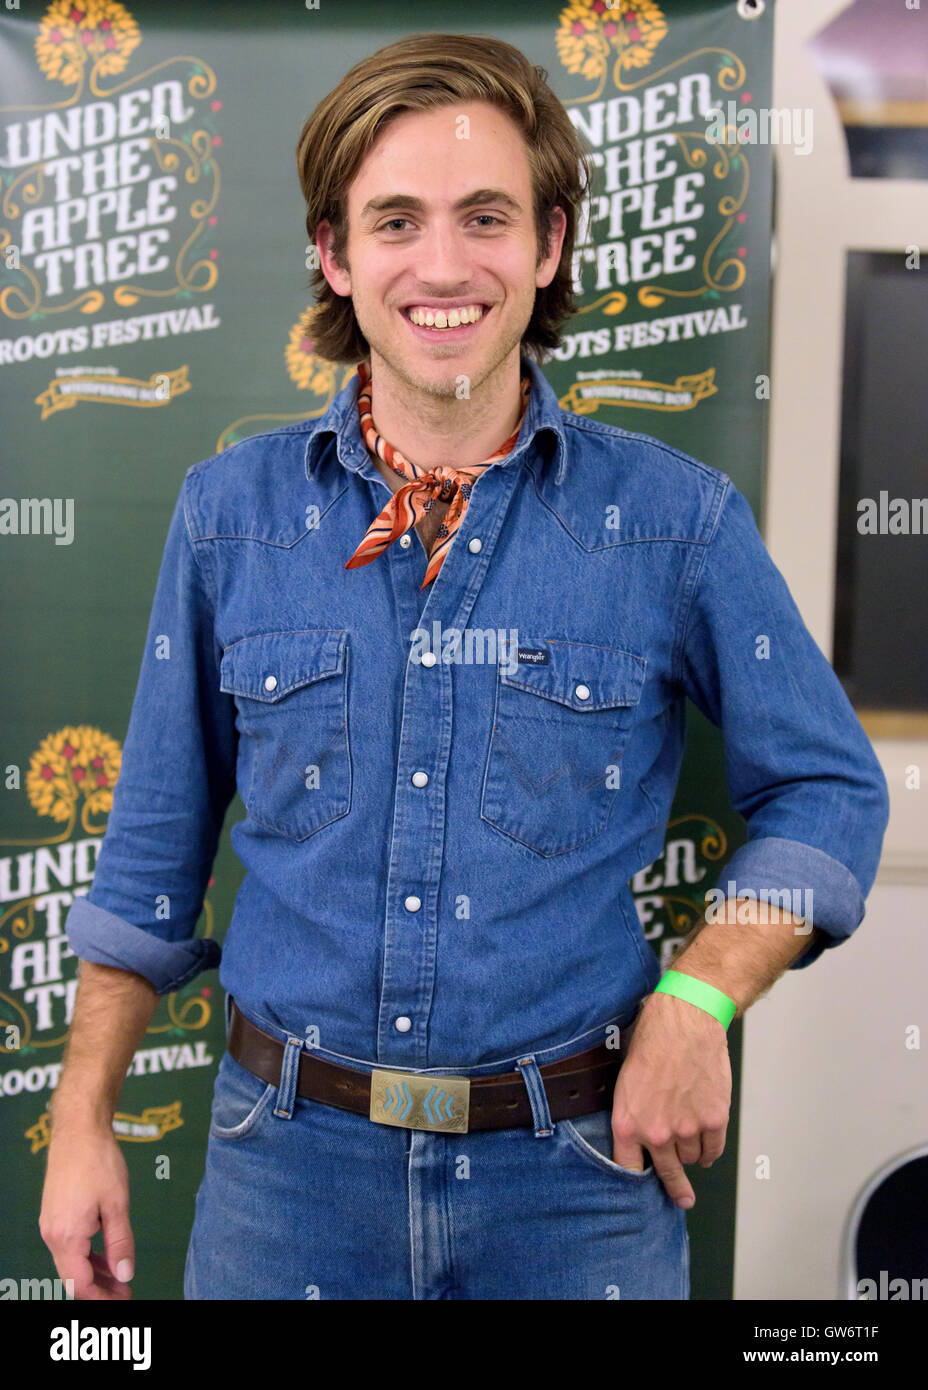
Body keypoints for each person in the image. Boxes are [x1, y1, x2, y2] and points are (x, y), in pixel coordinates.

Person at [40, 32, 889, 1301]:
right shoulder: (228, 515)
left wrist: (699, 998)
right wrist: (80, 1119)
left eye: (485, 217)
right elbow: (152, 855)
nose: (443, 267)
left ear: (547, 246)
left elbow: (828, 792)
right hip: (285, 1181)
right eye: (395, 221)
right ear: (334, 255)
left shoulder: (677, 525)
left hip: (577, 1185)